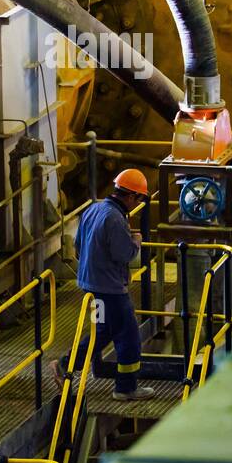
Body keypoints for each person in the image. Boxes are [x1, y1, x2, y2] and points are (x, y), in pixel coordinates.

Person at [51, 169, 155, 401]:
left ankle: (64, 364)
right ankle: (125, 388)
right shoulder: (115, 219)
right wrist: (135, 242)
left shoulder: (93, 209)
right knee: (129, 335)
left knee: (103, 332)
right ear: (130, 197)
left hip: (91, 284)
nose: (137, 204)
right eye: (139, 199)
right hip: (110, 288)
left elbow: (78, 244)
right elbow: (124, 254)